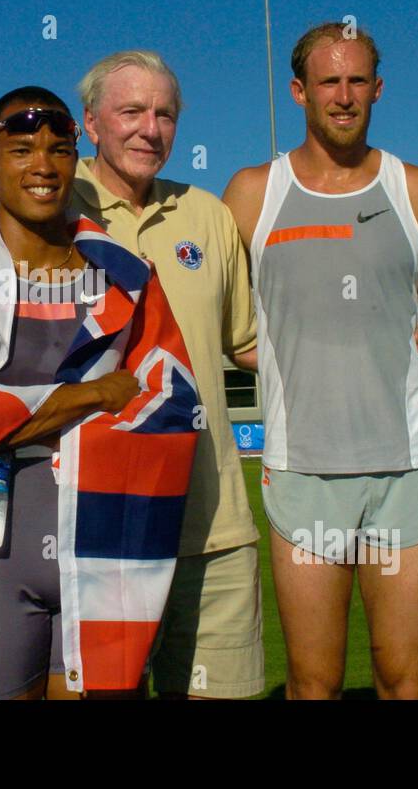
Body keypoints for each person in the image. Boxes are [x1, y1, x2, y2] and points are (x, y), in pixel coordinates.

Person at [0, 86, 200, 699]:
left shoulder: (124, 273)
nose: (43, 166)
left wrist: (4, 404)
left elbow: (174, 400)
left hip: (105, 544)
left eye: (59, 149)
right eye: (20, 150)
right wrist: (93, 395)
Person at [222, 21, 418, 699]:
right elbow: (216, 319)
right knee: (313, 682)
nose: (344, 95)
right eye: (328, 81)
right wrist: (275, 357)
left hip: (406, 470)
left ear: (378, 89)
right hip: (303, 474)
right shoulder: (251, 193)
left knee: (406, 680)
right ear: (299, 90)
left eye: (358, 80)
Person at [70, 51, 263, 699]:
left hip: (213, 531)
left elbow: (254, 344)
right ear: (90, 122)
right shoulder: (46, 206)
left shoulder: (207, 215)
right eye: (131, 112)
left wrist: (378, 335)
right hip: (92, 535)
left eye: (164, 114)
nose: (150, 128)